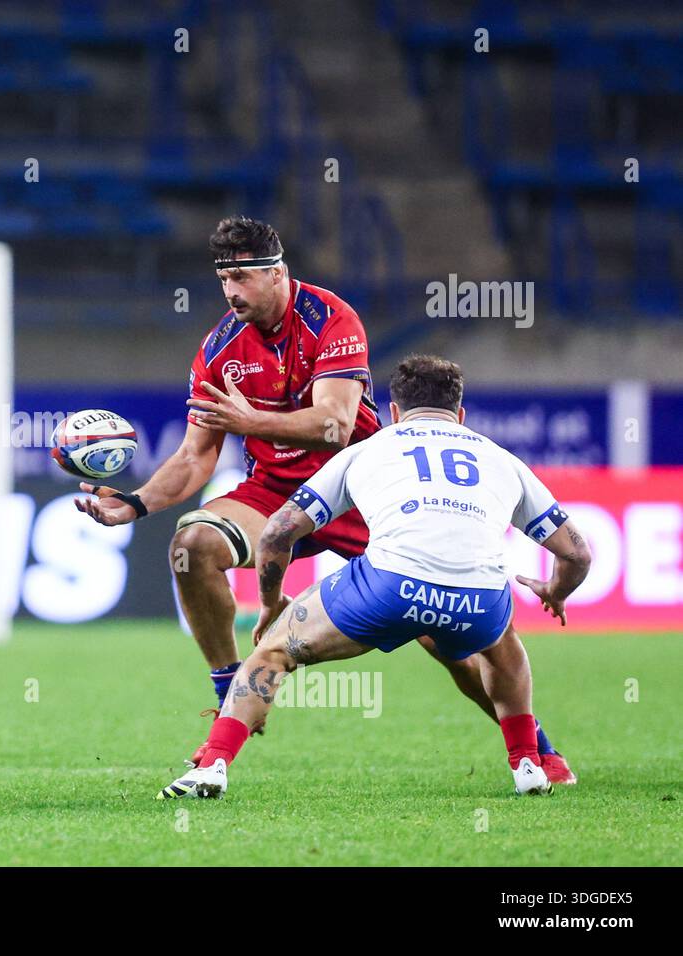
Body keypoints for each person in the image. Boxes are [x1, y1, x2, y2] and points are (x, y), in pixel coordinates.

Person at [75, 217, 575, 784]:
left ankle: (538, 748)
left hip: (359, 493)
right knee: (193, 544)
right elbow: (196, 457)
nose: (231, 291)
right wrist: (134, 504)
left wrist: (250, 419)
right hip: (276, 494)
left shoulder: (331, 320)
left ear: (276, 273)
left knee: (452, 648)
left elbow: (336, 426)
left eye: (242, 277)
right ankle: (229, 687)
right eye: (222, 279)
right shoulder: (219, 350)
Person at [159, 354, 592, 798]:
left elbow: (279, 530)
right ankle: (530, 761)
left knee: (272, 653)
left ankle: (212, 764)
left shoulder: (370, 449)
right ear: (461, 415)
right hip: (479, 598)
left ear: (394, 412)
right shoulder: (503, 460)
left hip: (389, 587)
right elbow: (577, 553)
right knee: (504, 647)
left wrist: (272, 602)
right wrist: (555, 591)